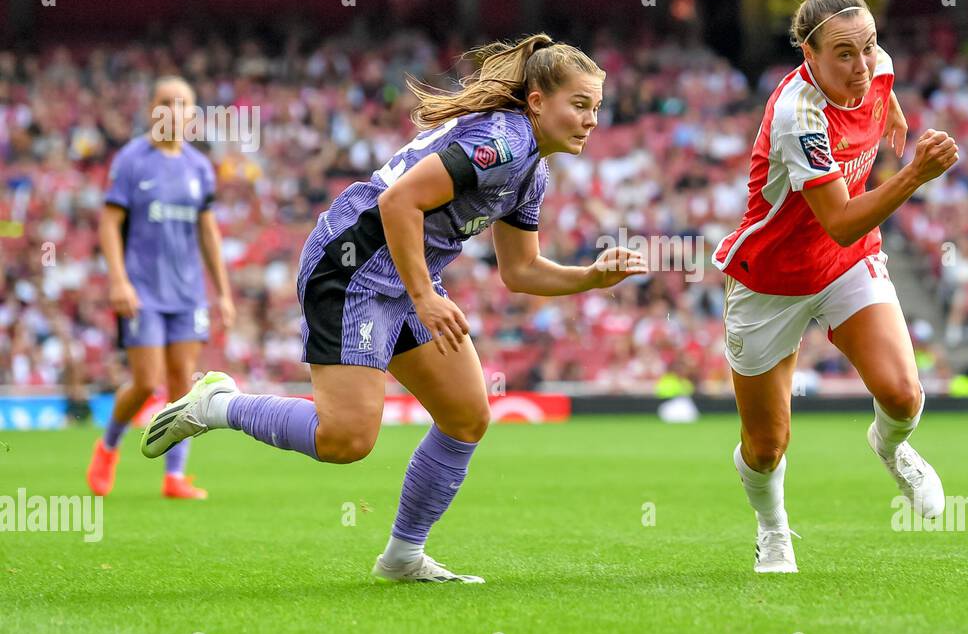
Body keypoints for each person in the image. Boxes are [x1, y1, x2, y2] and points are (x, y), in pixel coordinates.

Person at [140, 34, 647, 582]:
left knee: (466, 416)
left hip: (405, 275)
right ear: (536, 102)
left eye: (596, 107)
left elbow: (520, 270)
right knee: (346, 440)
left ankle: (403, 558)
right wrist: (427, 295)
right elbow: (397, 200)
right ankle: (218, 404)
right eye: (580, 104)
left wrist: (590, 278)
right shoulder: (502, 143)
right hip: (351, 265)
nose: (592, 119)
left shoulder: (532, 169)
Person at [713, 0, 960, 573]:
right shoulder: (799, 115)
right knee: (767, 445)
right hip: (769, 279)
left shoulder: (874, 64)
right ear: (810, 57)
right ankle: (773, 530)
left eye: (867, 48)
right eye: (843, 55)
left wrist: (893, 109)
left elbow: (883, 80)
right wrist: (914, 175)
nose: (861, 64)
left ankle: (892, 448)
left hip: (844, 266)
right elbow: (843, 221)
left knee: (902, 394)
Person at [87, 77, 234, 501]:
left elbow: (208, 232)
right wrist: (117, 279)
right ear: (152, 108)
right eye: (165, 102)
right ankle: (108, 445)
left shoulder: (199, 167)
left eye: (182, 104)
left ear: (192, 115)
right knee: (145, 380)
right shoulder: (131, 160)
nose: (173, 110)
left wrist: (222, 292)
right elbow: (110, 223)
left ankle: (175, 476)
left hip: (187, 295)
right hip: (142, 292)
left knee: (180, 388)